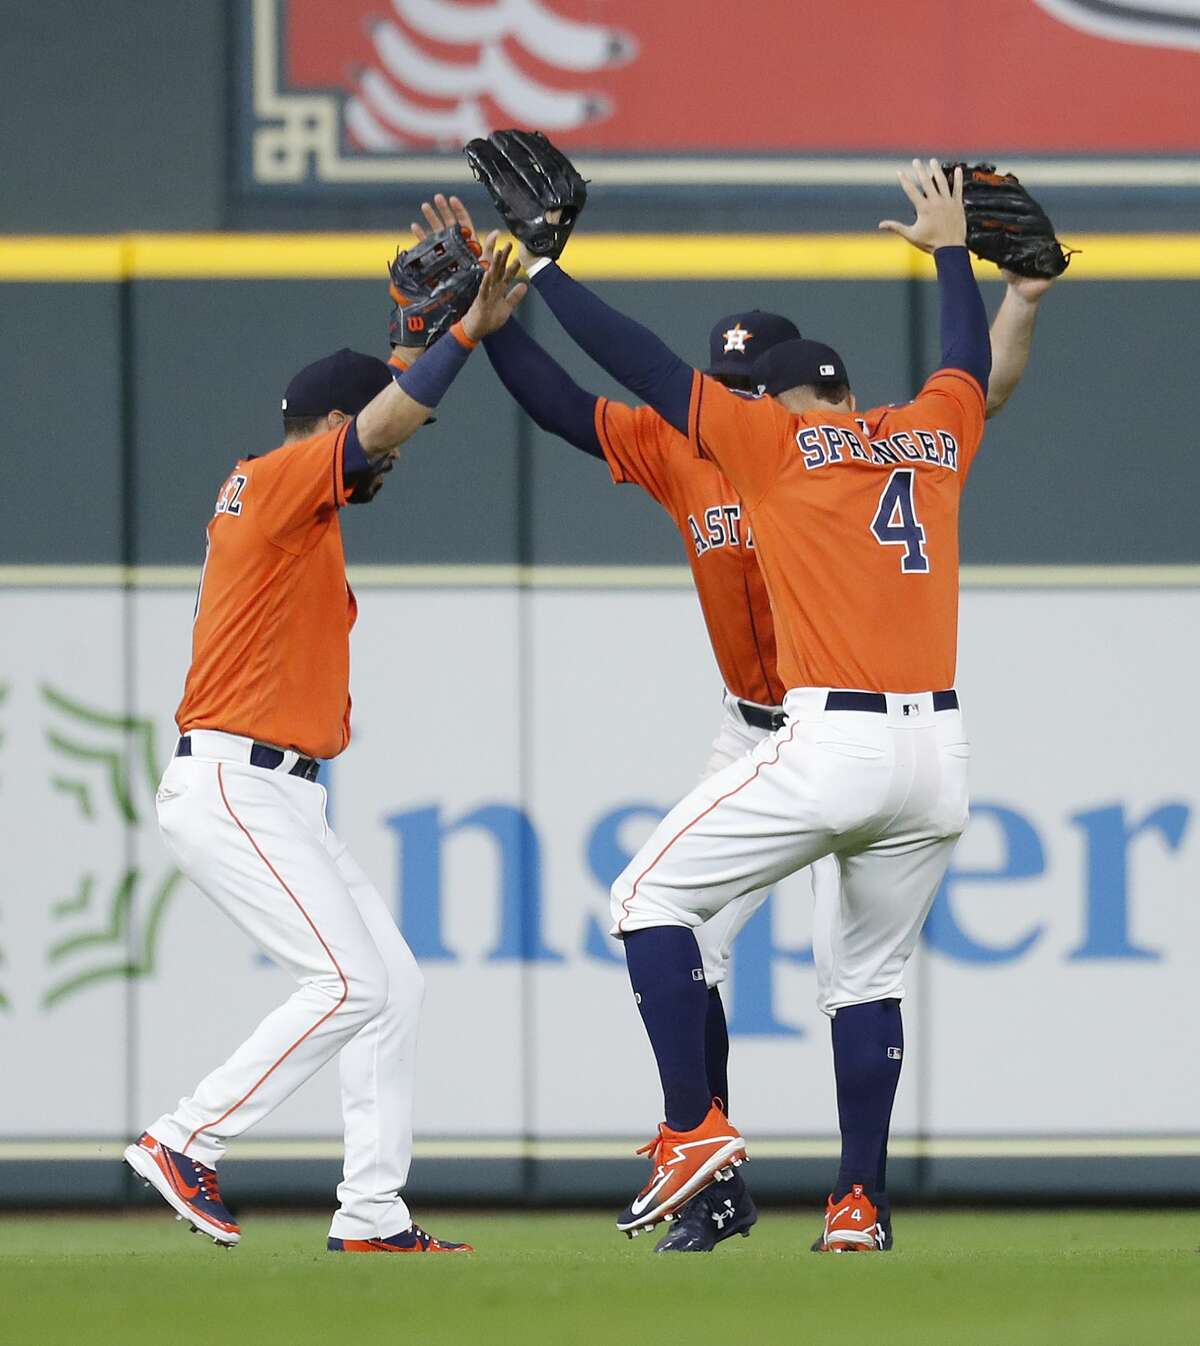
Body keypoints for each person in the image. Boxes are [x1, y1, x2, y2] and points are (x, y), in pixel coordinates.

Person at [493, 159, 996, 1251]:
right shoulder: (934, 433)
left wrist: (544, 268)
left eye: (757, 390)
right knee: (866, 978)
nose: (742, 403)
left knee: (641, 897)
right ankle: (857, 1208)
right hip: (939, 756)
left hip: (830, 742)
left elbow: (639, 360)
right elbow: (966, 361)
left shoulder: (772, 446)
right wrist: (956, 253)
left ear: (790, 400)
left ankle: (693, 1131)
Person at [124, 236, 527, 1254]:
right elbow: (381, 423)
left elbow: (383, 411)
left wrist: (418, 339)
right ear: (338, 432)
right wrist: (465, 337)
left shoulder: (290, 490)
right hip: (234, 782)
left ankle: (372, 1212)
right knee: (346, 983)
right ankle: (185, 1137)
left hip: (276, 790)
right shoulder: (278, 482)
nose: (391, 459)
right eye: (376, 444)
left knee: (392, 985)